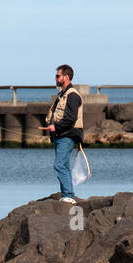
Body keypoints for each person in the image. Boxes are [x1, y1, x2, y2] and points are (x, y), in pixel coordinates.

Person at [42, 64, 83, 203]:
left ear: (66, 77)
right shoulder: (62, 94)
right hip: (61, 135)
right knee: (64, 165)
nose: (55, 78)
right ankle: (67, 195)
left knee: (59, 165)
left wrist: (56, 127)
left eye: (58, 76)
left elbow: (71, 118)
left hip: (67, 135)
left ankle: (68, 195)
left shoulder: (72, 95)